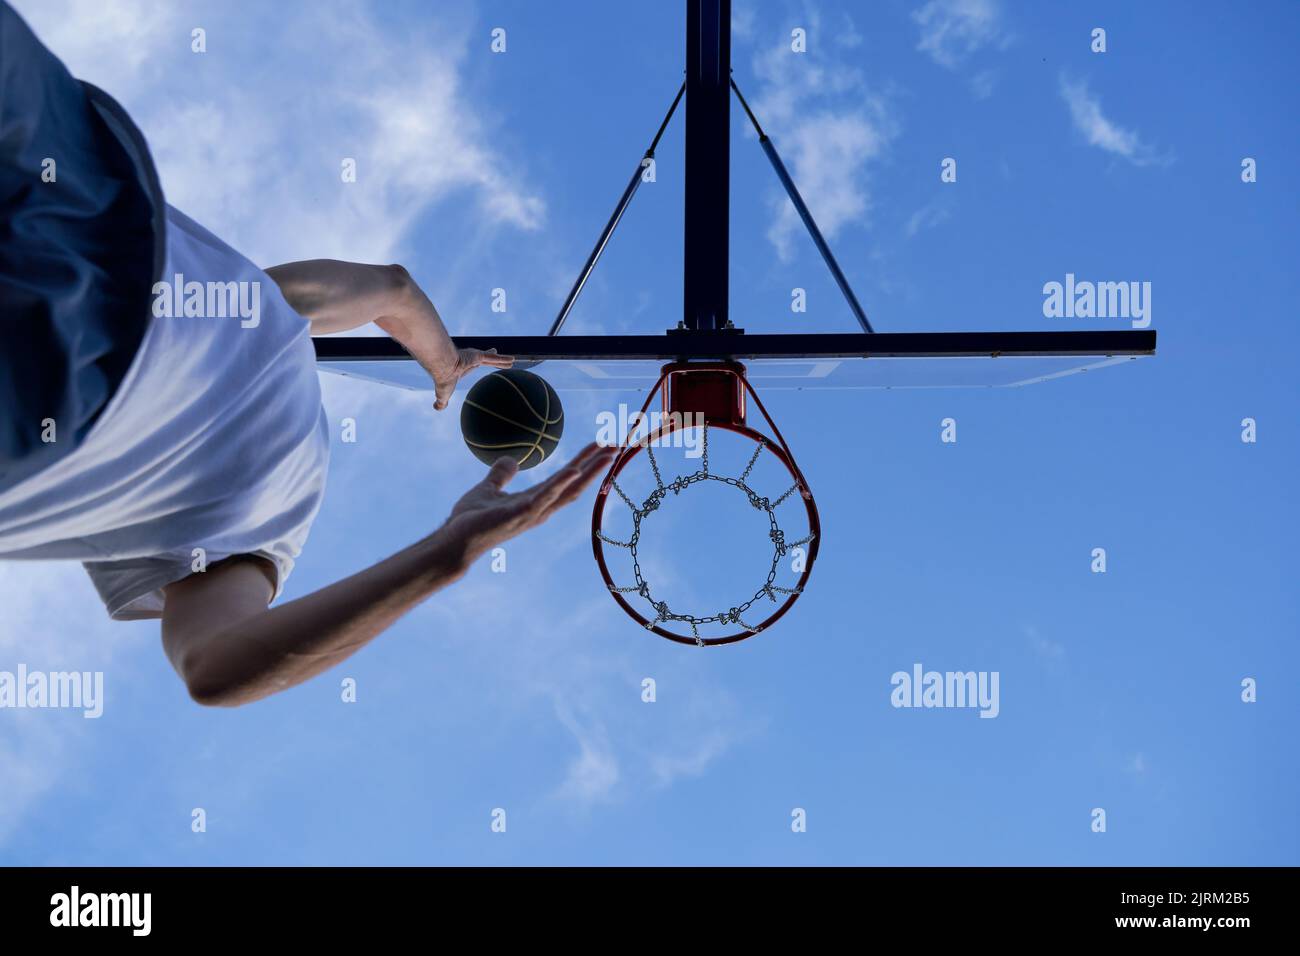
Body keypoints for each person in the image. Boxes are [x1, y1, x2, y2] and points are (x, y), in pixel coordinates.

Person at [0, 2, 613, 706]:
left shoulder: (262, 321)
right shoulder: (258, 538)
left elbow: (394, 290)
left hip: (73, 189)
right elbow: (214, 668)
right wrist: (451, 550)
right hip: (70, 370)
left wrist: (445, 370)